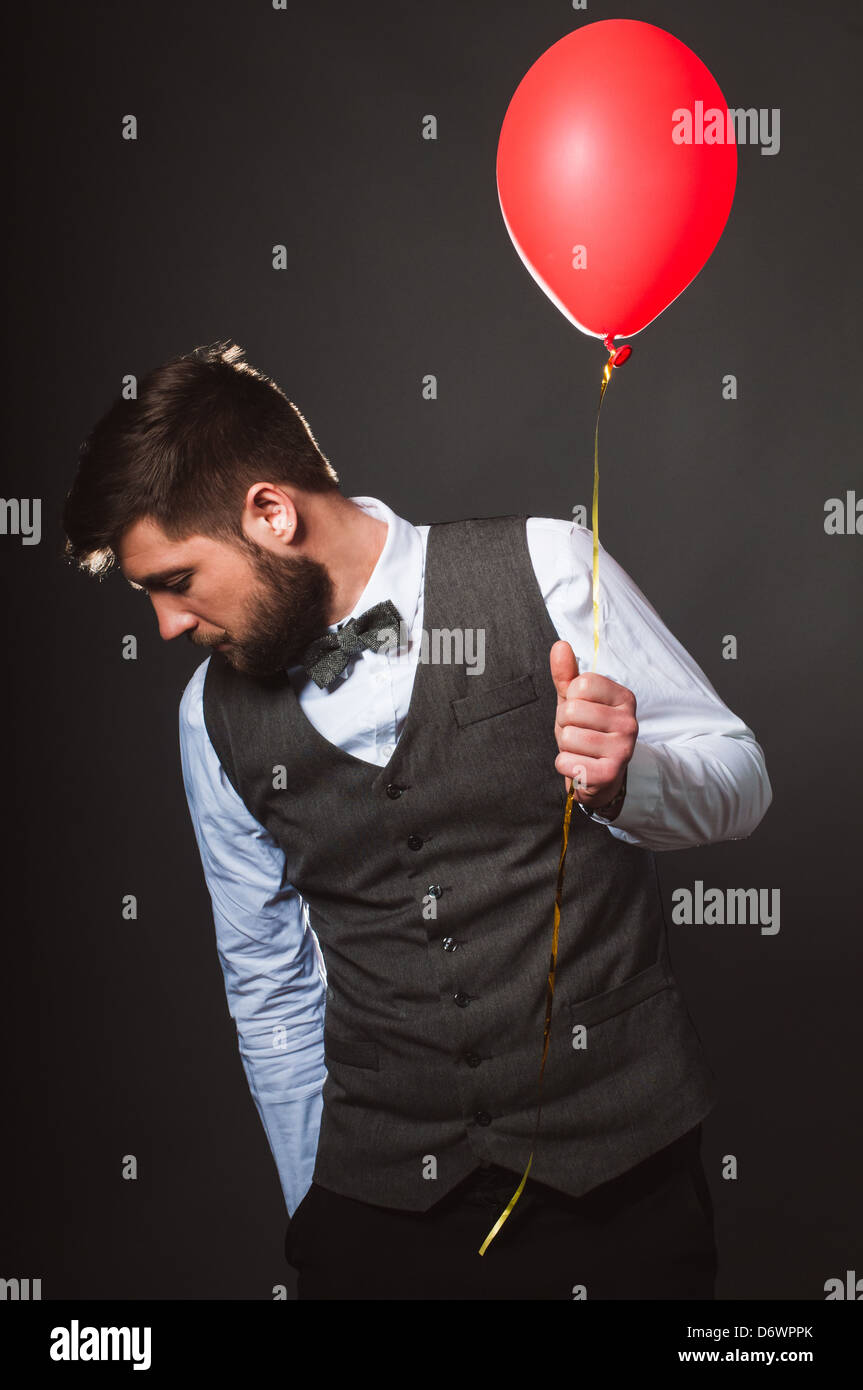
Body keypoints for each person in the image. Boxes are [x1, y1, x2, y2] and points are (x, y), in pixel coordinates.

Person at [62, 340, 772, 1300]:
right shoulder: (209, 716)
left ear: (269, 513)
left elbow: (741, 778)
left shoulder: (544, 564)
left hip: (620, 1187)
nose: (166, 627)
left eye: (176, 581)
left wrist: (626, 782)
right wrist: (316, 1204)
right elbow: (266, 979)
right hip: (377, 1213)